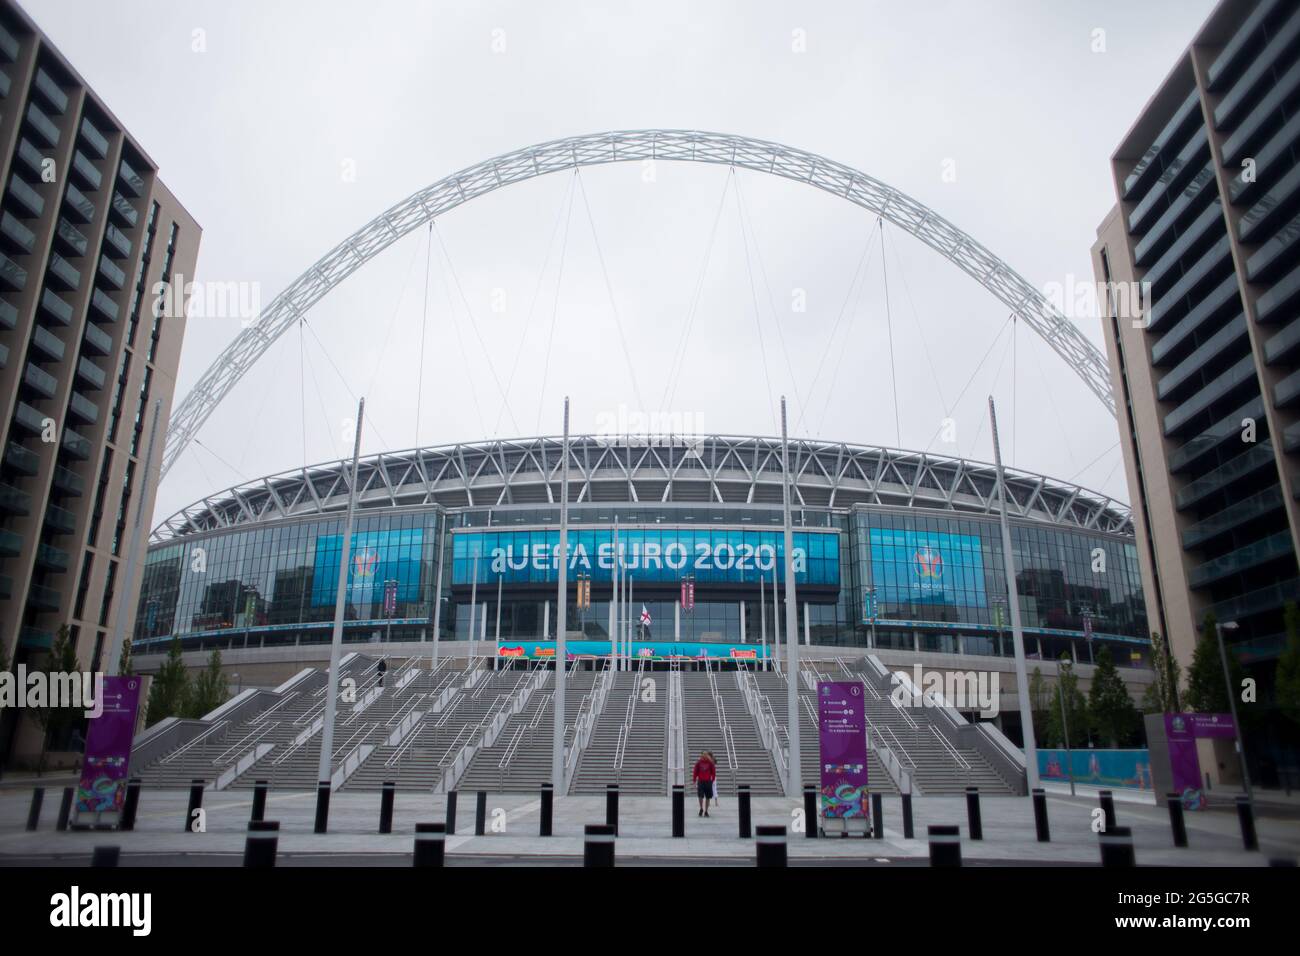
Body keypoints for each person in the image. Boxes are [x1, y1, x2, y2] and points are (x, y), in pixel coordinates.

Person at [692, 750, 716, 817]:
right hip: (701, 782)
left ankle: (706, 811)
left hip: (708, 782)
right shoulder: (698, 763)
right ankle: (701, 808)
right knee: (700, 796)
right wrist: (694, 780)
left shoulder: (710, 763)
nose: (705, 755)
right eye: (704, 754)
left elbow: (713, 771)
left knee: (708, 797)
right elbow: (695, 772)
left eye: (706, 754)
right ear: (701, 755)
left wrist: (713, 779)